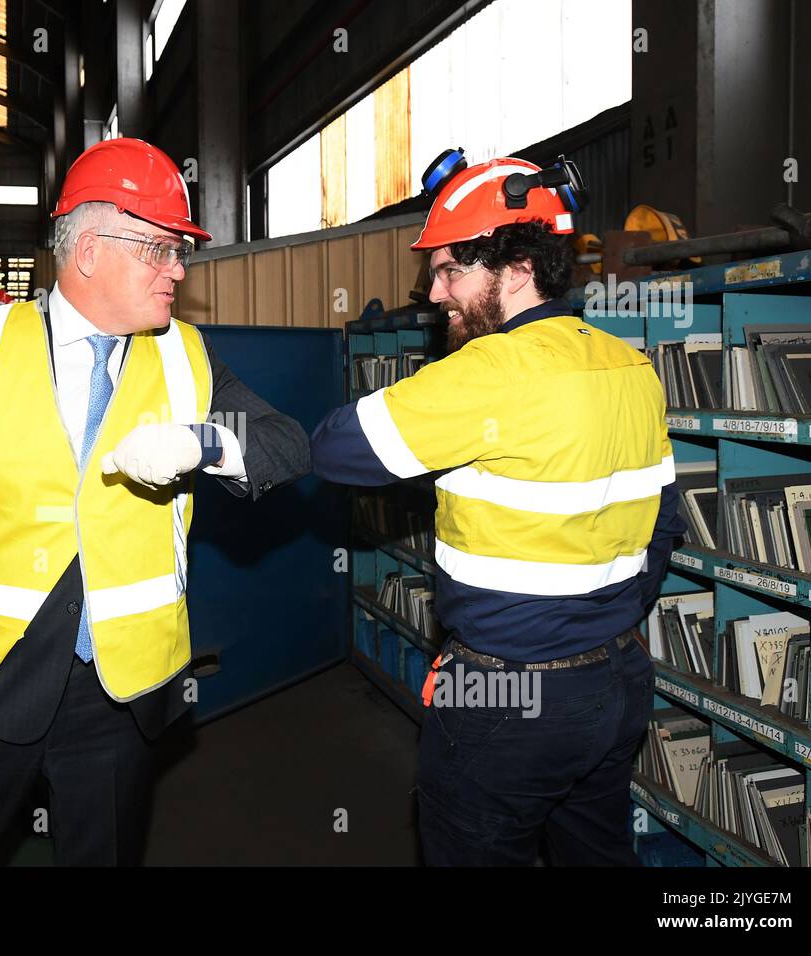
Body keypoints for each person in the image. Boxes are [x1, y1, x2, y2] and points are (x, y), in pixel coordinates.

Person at [0, 137, 311, 865]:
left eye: (179, 252)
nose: (178, 270)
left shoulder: (186, 356)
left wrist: (207, 444)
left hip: (119, 693)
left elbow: (288, 443)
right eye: (160, 250)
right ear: (92, 250)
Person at [310, 151, 686, 865]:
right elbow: (663, 521)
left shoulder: (484, 372)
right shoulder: (630, 368)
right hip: (616, 685)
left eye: (451, 270)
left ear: (516, 270)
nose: (433, 291)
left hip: (506, 699)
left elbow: (334, 448)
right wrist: (603, 620)